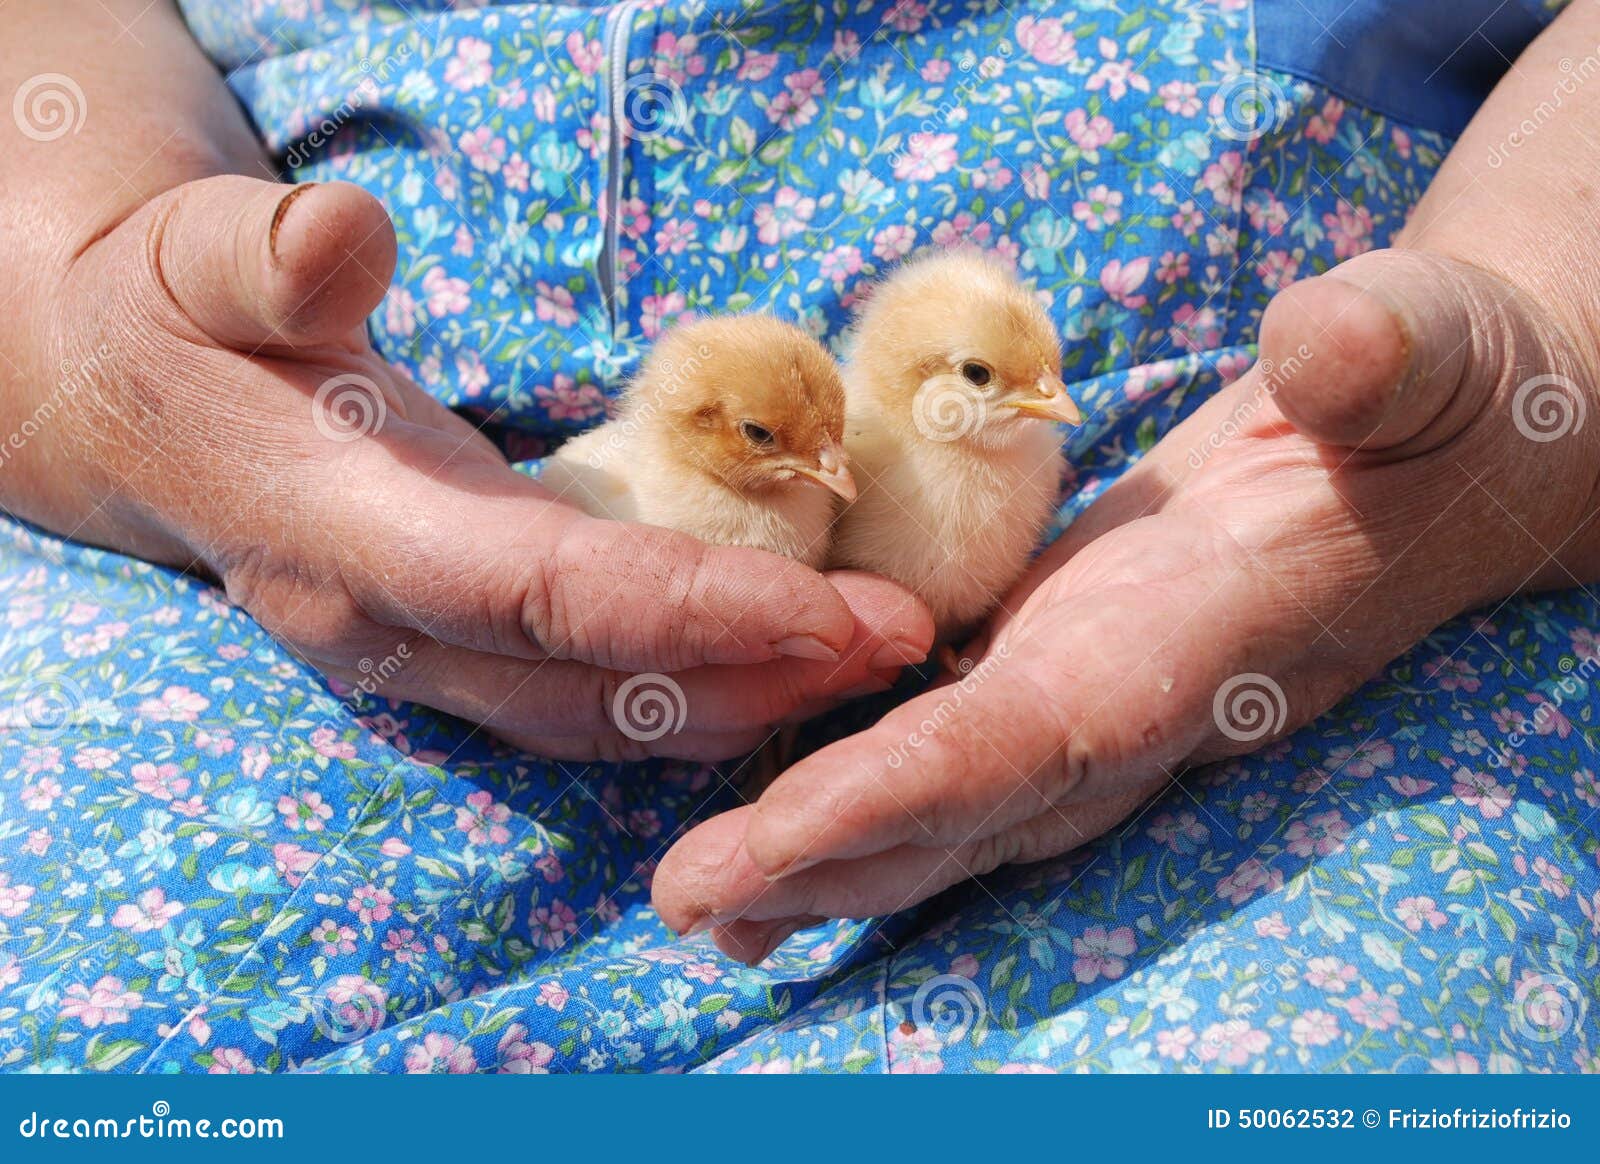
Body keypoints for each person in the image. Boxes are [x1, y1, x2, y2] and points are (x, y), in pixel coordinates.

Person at [0, 0, 1593, 1073]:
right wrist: (87, 306)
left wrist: (1546, 351)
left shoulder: (916, 430)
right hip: (258, 534)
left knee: (1359, 1058)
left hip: (1325, 560)